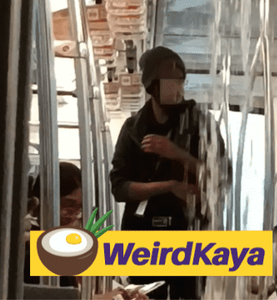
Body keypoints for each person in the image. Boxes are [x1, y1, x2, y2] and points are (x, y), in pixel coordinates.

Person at [109, 46, 223, 300]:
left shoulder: (201, 125)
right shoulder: (132, 129)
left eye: (181, 81)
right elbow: (119, 188)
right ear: (151, 86)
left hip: (191, 232)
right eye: (170, 82)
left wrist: (177, 153)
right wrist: (170, 185)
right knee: (143, 297)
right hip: (142, 233)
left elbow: (222, 177)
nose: (178, 88)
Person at [23, 162, 148, 300]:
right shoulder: (30, 250)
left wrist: (123, 295)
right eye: (68, 208)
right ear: (41, 205)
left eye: (80, 209)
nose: (76, 217)